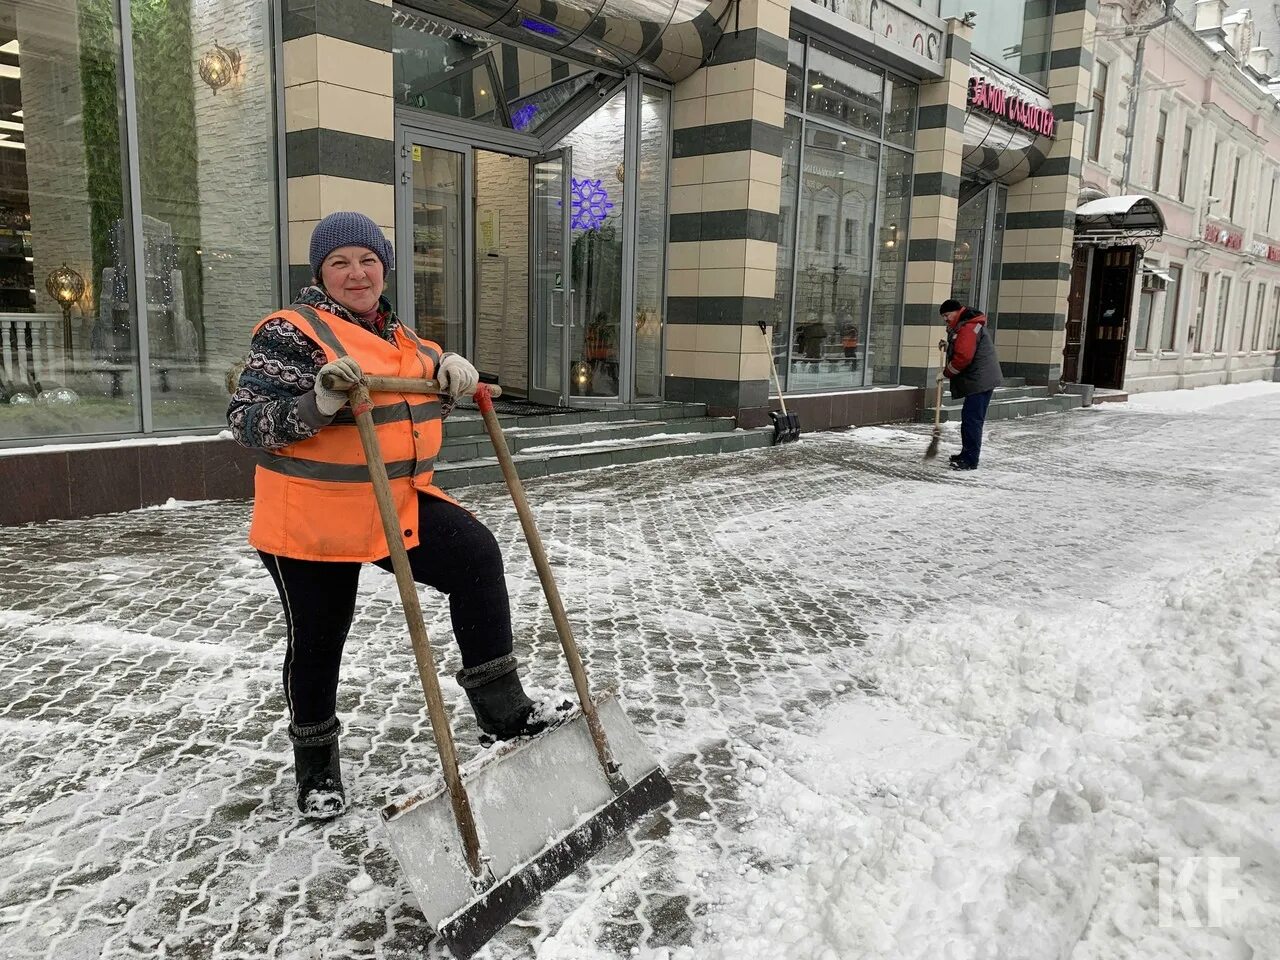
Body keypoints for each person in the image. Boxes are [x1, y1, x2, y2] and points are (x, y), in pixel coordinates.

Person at [228, 211, 552, 819]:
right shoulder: (289, 334)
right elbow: (246, 422)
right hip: (313, 520)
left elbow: (408, 418)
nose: (357, 272)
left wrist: (453, 375)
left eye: (368, 260)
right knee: (321, 637)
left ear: (385, 267)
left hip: (390, 504)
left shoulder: (406, 340)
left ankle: (503, 713)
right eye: (340, 262)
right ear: (321, 272)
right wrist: (317, 401)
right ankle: (317, 769)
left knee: (476, 557)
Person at [938, 298, 1002, 471]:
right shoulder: (968, 324)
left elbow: (964, 357)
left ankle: (970, 460)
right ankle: (967, 454)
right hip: (980, 379)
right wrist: (949, 343)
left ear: (957, 311)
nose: (945, 318)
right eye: (943, 316)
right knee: (970, 419)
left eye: (947, 315)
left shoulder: (968, 327)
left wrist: (947, 372)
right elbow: (962, 346)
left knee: (972, 420)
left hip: (980, 380)